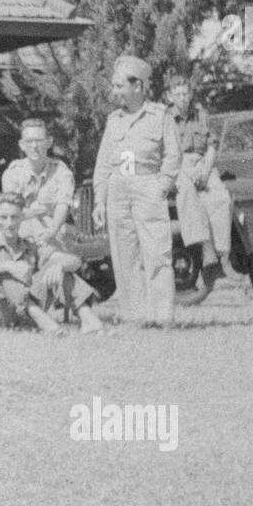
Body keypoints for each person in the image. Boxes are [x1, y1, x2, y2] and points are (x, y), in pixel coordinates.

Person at [92, 56, 180, 328]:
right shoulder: (113, 120)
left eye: (120, 86)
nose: (114, 91)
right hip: (118, 189)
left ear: (138, 86)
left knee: (156, 252)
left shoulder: (161, 115)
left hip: (147, 186)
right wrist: (99, 201)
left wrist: (161, 186)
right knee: (124, 255)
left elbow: (173, 155)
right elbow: (104, 163)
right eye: (114, 86)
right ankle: (135, 315)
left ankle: (162, 315)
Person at [0, 193, 104, 335]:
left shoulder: (29, 246)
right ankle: (48, 325)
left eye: (14, 217)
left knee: (59, 269)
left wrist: (59, 266)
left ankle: (88, 320)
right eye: (4, 217)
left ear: (22, 218)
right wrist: (10, 266)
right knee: (5, 275)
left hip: (25, 313)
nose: (10, 223)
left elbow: (75, 261)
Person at [167, 76, 233, 284]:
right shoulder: (165, 118)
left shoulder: (202, 115)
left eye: (185, 93)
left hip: (203, 162)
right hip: (179, 164)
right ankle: (207, 249)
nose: (182, 98)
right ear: (170, 96)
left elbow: (213, 145)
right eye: (177, 94)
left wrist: (205, 171)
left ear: (191, 94)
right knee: (186, 193)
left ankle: (222, 256)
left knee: (222, 198)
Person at [0, 119, 76, 249]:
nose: (34, 146)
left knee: (70, 258)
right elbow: (13, 212)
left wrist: (53, 230)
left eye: (39, 140)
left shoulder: (62, 172)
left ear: (49, 142)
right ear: (22, 145)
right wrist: (38, 212)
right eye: (29, 141)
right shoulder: (12, 173)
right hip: (21, 233)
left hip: (54, 230)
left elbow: (63, 205)